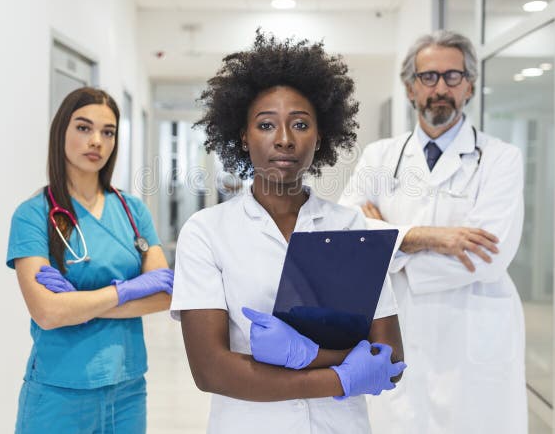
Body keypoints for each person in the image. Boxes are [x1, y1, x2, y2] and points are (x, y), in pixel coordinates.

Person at [171, 31, 407, 434]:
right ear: (243, 137)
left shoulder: (351, 227)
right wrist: (339, 374)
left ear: (321, 136)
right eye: (266, 125)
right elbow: (210, 369)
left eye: (300, 124)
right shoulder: (206, 231)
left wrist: (304, 355)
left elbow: (390, 357)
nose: (284, 139)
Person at [339, 30, 527, 433]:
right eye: (428, 77)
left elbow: (487, 256)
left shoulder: (501, 159)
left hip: (471, 326)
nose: (440, 87)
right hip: (397, 323)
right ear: (410, 88)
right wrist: (430, 237)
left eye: (452, 76)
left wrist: (389, 240)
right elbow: (346, 236)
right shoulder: (380, 156)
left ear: (470, 85)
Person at [6, 87, 174, 433]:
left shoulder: (132, 211)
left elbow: (164, 295)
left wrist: (77, 303)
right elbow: (48, 312)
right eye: (83, 128)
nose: (96, 140)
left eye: (107, 132)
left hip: (127, 388)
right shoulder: (33, 215)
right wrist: (127, 290)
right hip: (59, 391)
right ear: (61, 132)